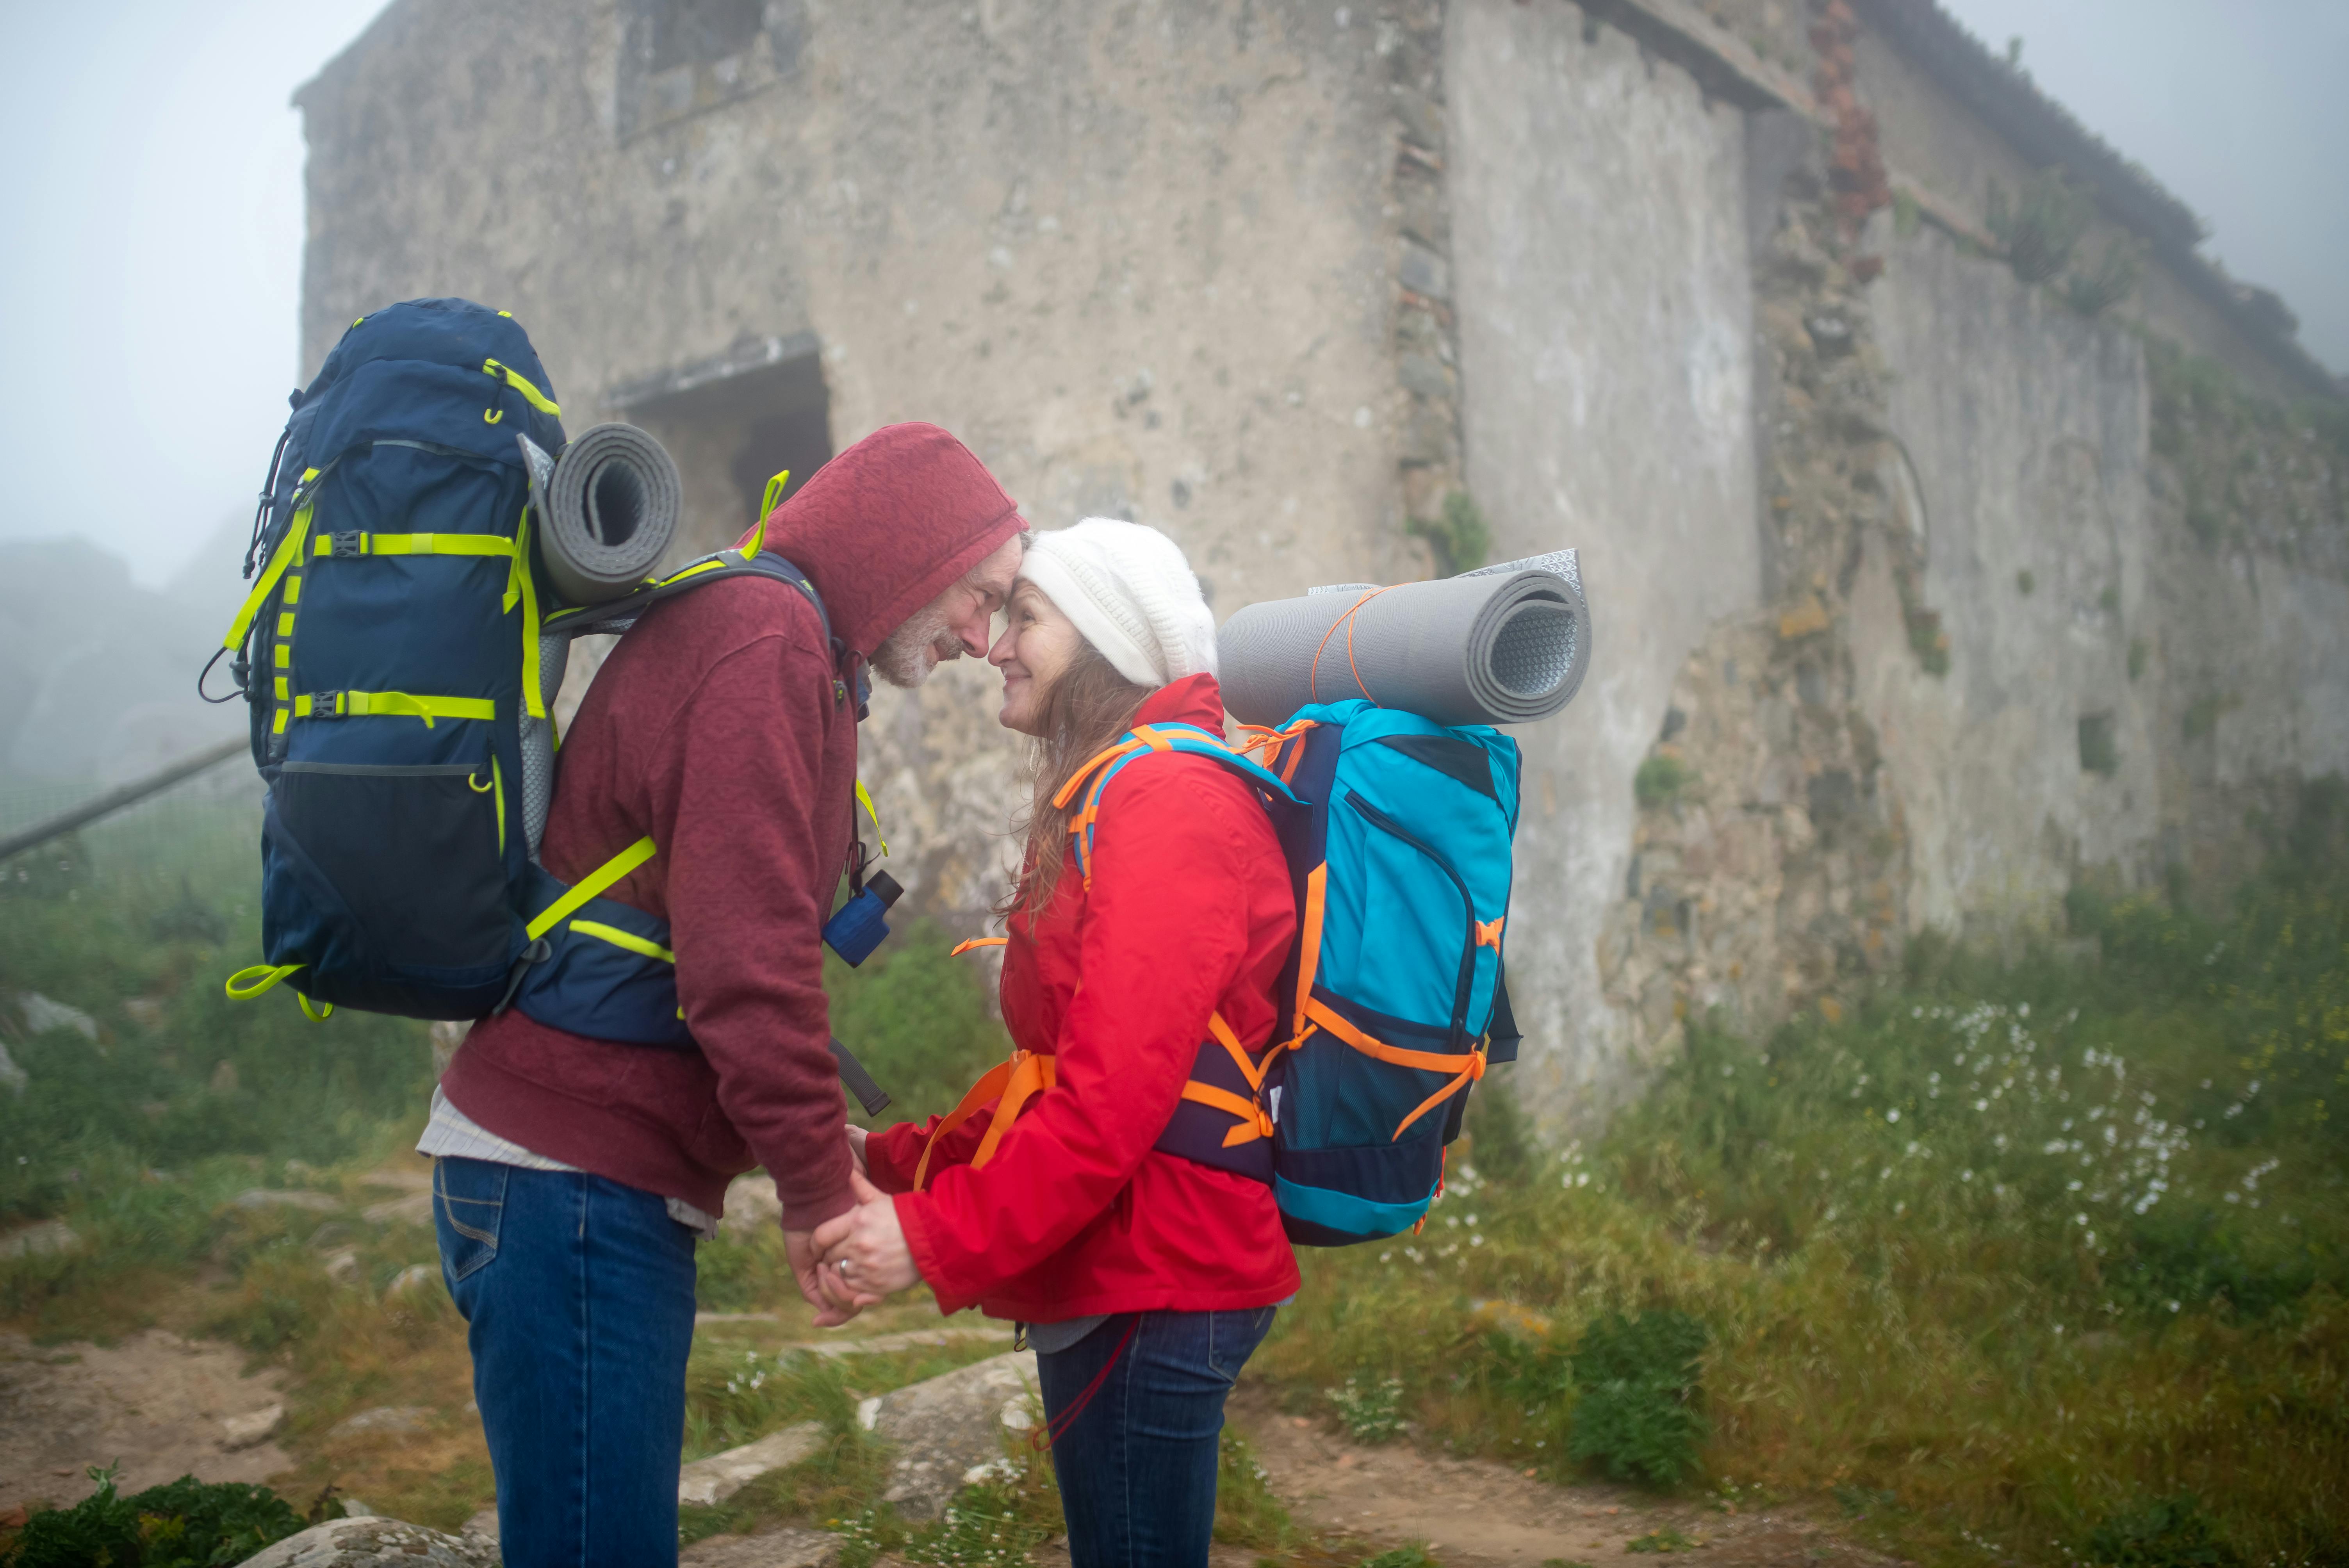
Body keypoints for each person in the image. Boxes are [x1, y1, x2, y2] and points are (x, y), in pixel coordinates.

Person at [424, 423, 1026, 1568]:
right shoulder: (763, 643)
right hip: (572, 1186)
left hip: (584, 1181)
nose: (979, 638)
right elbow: (744, 969)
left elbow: (714, 944)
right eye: (978, 596)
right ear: (911, 551)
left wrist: (808, 1152)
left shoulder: (793, 643)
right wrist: (814, 1193)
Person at [815, 517, 1300, 1568]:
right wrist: (891, 1161)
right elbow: (1058, 1076)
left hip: (1159, 1269)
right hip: (1129, 1262)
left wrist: (931, 1240)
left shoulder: (1169, 800)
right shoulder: (1123, 788)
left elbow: (1112, 1101)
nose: (993, 644)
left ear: (1110, 638)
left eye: (1024, 617)